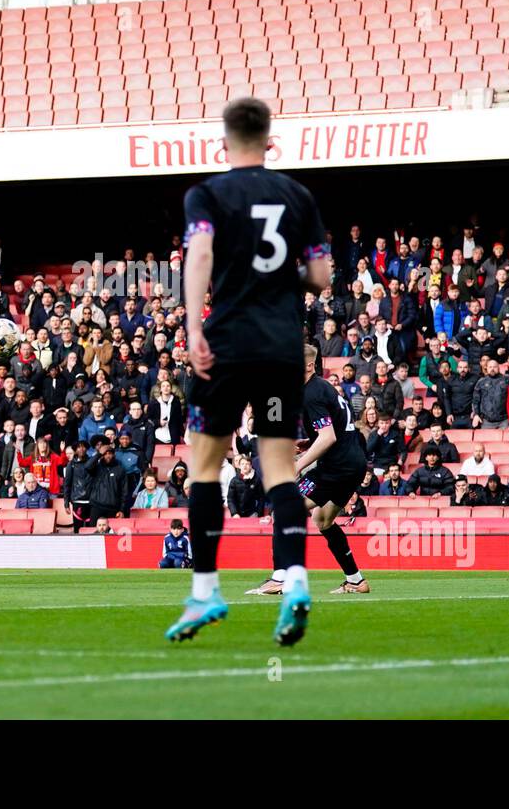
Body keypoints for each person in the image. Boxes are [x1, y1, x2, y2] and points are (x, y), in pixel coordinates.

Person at [166, 97, 332, 647]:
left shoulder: (207, 195)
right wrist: (290, 280)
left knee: (206, 468)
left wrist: (194, 327)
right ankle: (297, 580)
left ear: (224, 140)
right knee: (280, 470)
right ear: (269, 140)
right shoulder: (298, 195)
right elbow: (321, 274)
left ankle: (206, 592)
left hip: (227, 345)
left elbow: (201, 255)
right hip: (284, 347)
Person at [249, 343, 370, 597]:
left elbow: (328, 438)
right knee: (323, 520)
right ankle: (356, 580)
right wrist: (307, 443)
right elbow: (334, 429)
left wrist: (298, 464)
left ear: (308, 366)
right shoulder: (322, 388)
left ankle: (280, 578)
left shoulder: (311, 393)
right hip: (354, 463)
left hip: (337, 467)